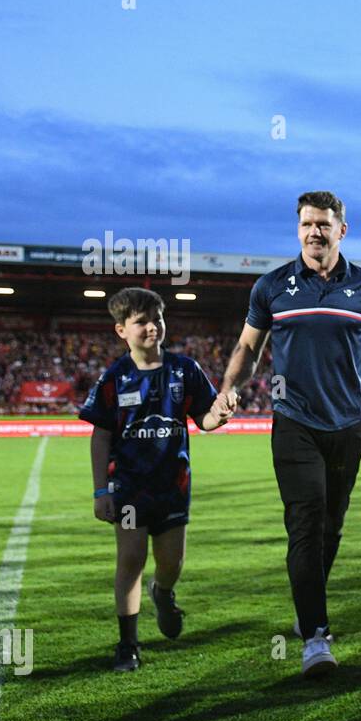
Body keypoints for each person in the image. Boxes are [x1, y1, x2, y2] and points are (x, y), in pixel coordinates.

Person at [221, 190, 361, 678]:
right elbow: (247, 346)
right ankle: (316, 637)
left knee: (331, 525)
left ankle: (308, 605)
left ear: (342, 229)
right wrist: (228, 390)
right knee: (305, 521)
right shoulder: (272, 286)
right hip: (294, 421)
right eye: (305, 224)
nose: (313, 232)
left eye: (323, 224)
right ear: (297, 229)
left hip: (347, 426)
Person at [80, 287, 237, 673]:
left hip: (173, 488)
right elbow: (100, 436)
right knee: (130, 559)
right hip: (130, 490)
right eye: (141, 322)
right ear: (121, 330)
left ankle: (163, 593)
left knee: (172, 562)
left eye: (157, 320)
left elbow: (204, 418)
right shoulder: (114, 378)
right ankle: (128, 645)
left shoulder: (185, 370)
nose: (152, 328)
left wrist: (220, 416)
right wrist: (101, 491)